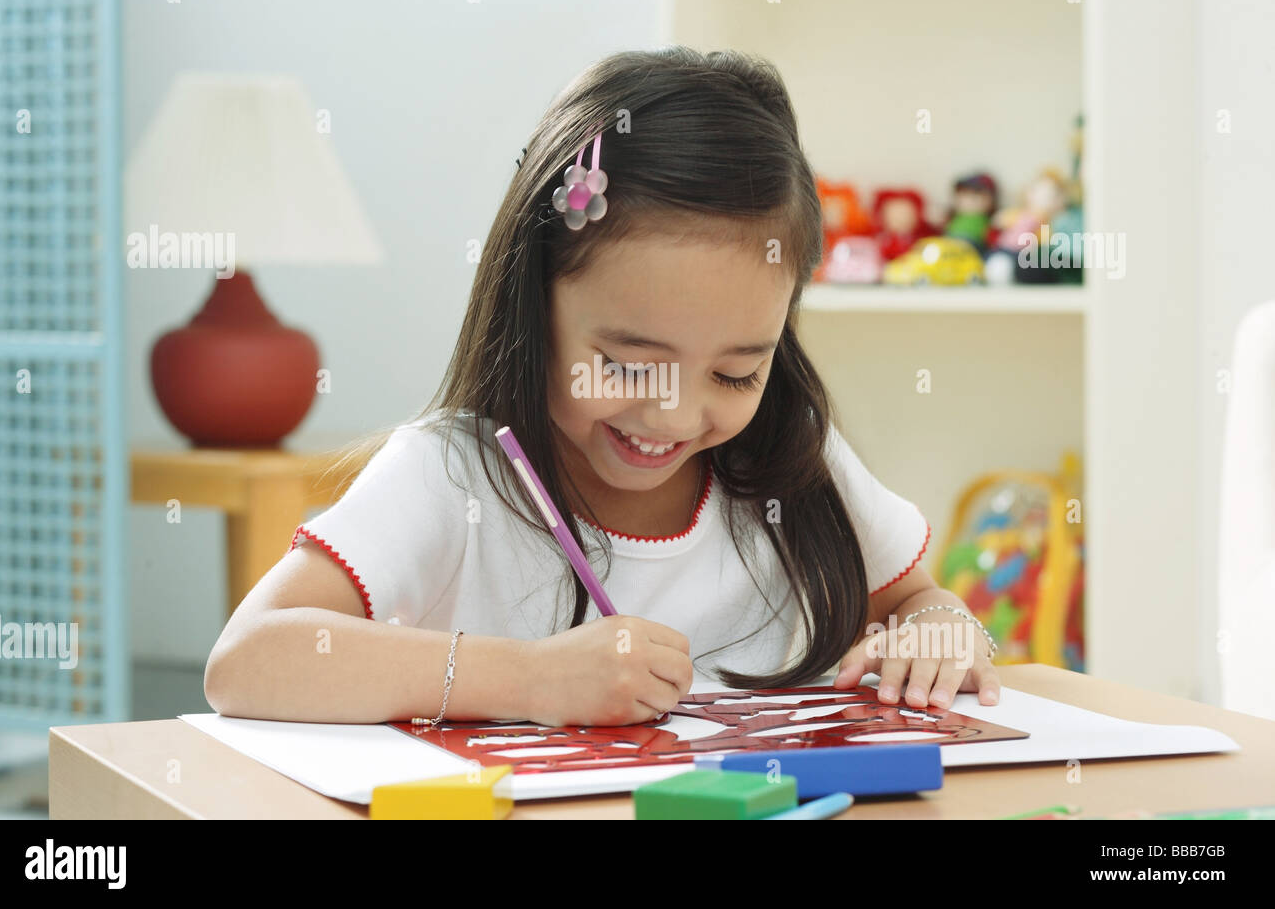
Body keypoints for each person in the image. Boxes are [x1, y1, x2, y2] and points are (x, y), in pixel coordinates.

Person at [204, 47, 1001, 728]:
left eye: (735, 372)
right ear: (535, 299)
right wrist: (528, 679)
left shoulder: (790, 454)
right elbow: (247, 660)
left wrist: (939, 636)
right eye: (625, 363)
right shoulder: (454, 477)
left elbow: (918, 598)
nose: (675, 413)